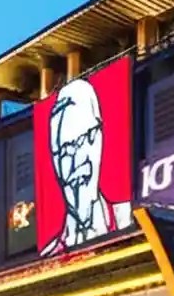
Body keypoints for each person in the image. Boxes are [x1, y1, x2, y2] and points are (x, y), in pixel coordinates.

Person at [39, 78, 133, 257]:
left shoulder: (132, 220)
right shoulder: (48, 258)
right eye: (63, 151)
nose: (74, 163)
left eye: (81, 141)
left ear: (98, 138)